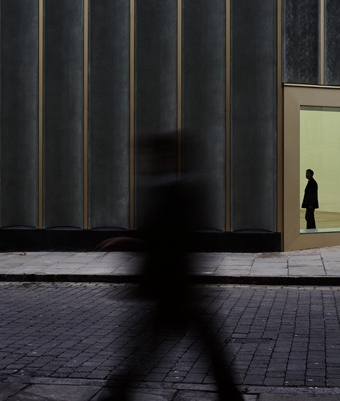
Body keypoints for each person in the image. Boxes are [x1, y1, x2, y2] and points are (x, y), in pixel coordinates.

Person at [98, 132, 244, 401]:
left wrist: (131, 242)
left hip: (172, 284)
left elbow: (168, 239)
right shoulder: (172, 188)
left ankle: (119, 392)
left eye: (153, 156)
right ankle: (228, 393)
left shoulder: (179, 191)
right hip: (175, 286)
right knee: (185, 344)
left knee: (151, 345)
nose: (147, 161)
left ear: (167, 157)